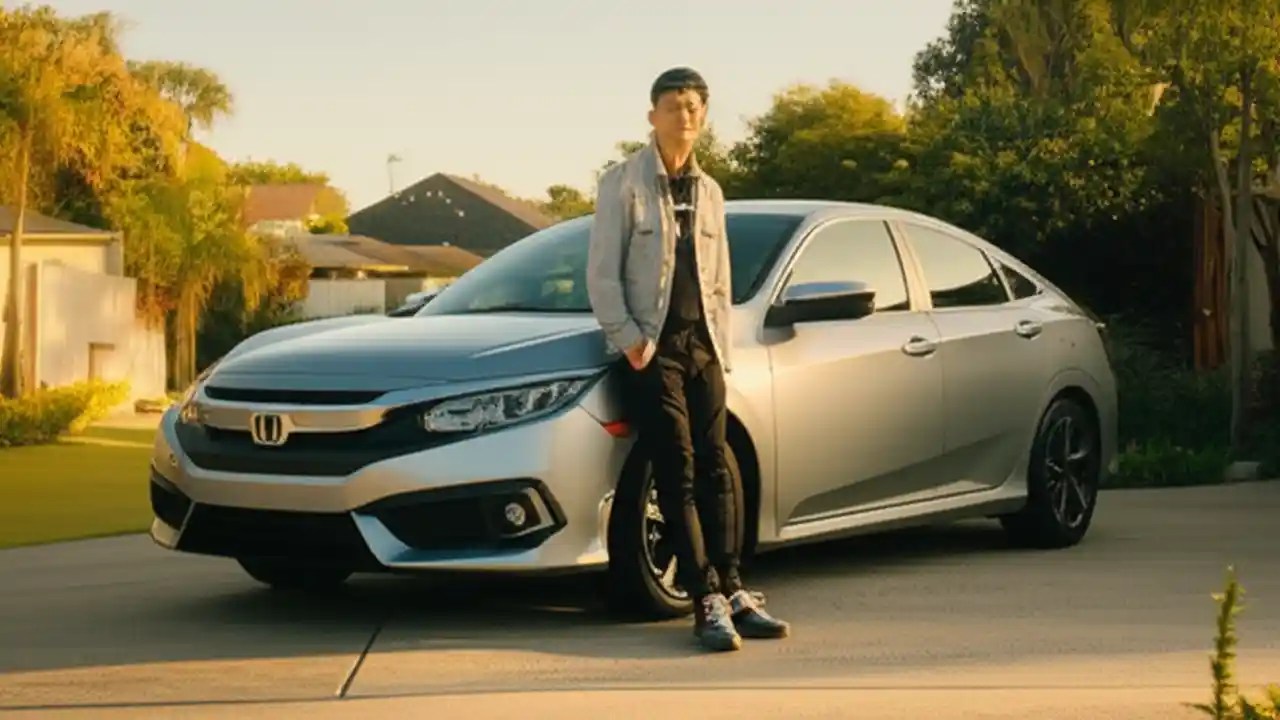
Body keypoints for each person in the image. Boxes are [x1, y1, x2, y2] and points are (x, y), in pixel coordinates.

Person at [586, 66, 790, 652]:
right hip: (654, 349)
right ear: (652, 115)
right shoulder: (621, 184)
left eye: (695, 106)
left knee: (717, 466)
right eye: (675, 105)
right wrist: (632, 343)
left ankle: (732, 588)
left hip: (704, 349)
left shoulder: (710, 191)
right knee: (675, 468)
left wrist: (721, 347)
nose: (687, 115)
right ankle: (703, 598)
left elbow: (719, 278)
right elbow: (602, 276)